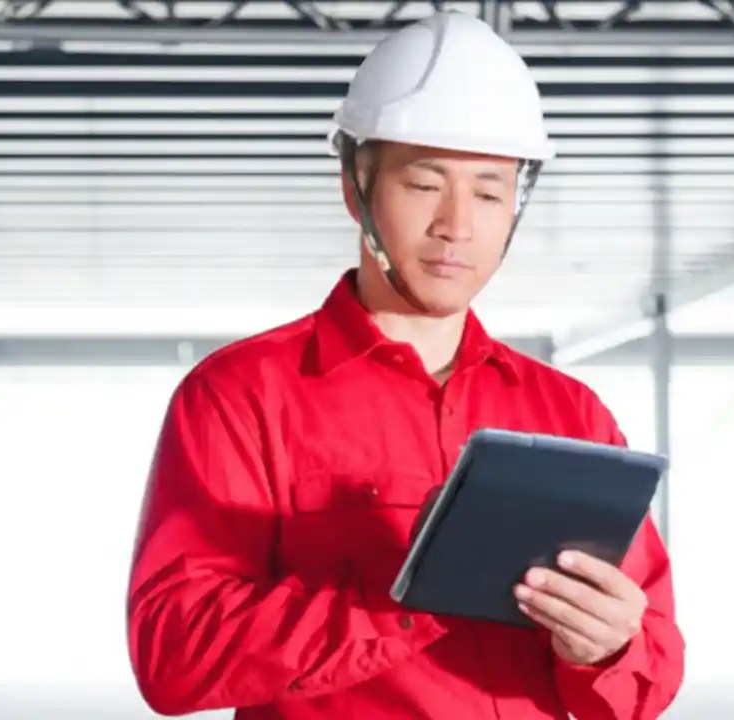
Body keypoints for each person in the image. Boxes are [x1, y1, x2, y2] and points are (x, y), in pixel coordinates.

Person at [126, 11, 685, 719]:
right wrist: (413, 588)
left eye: (489, 191)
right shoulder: (240, 397)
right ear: (355, 186)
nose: (457, 224)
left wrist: (605, 649)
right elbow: (175, 657)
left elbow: (647, 682)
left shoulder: (571, 416)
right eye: (425, 185)